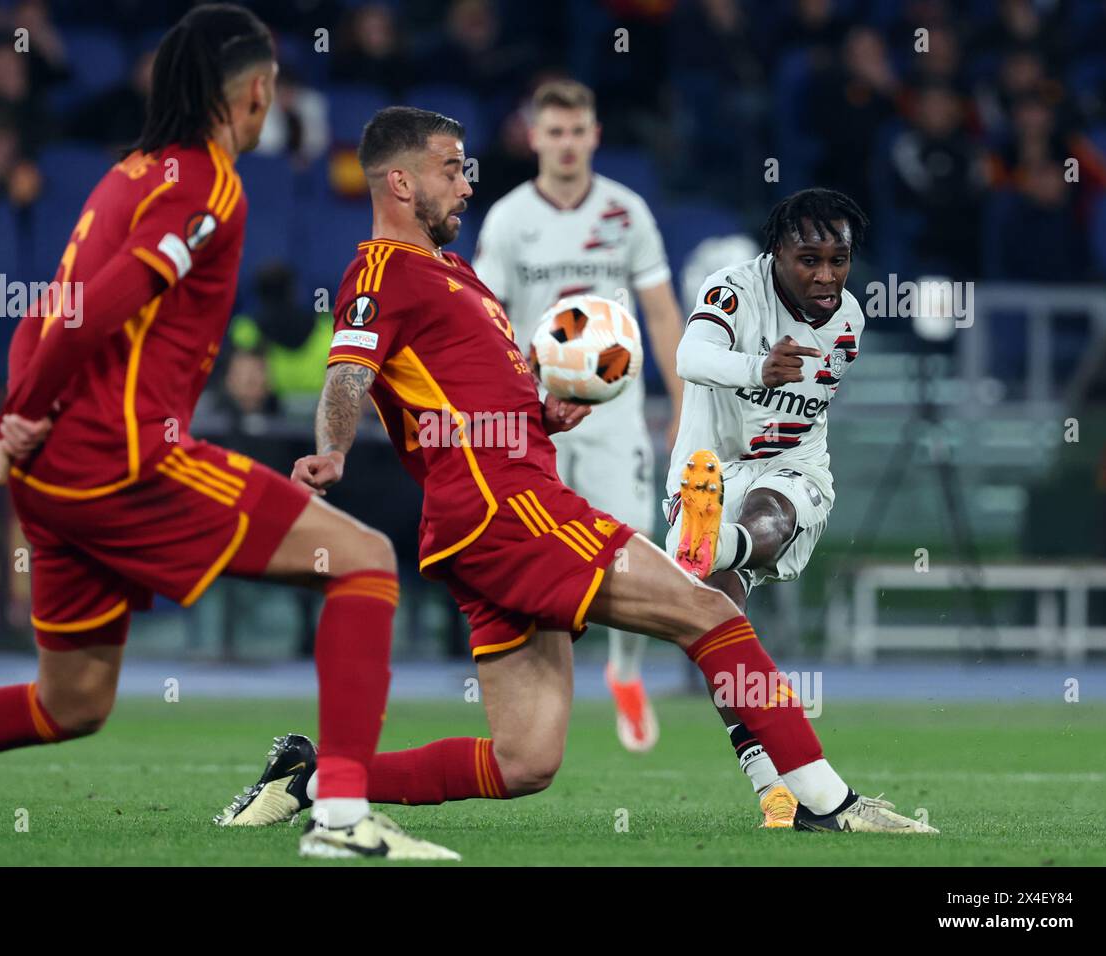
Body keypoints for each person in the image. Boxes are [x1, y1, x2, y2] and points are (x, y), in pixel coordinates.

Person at [0, 4, 455, 862]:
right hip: (120, 465)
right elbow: (97, 311)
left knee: (68, 702)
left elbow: (48, 313)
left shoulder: (127, 174)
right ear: (259, 91)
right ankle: (343, 819)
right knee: (366, 563)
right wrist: (16, 419)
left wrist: (18, 422)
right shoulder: (208, 186)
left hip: (53, 474)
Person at [216, 107, 936, 837]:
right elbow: (349, 371)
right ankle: (829, 804)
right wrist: (333, 446)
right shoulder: (380, 269)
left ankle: (311, 779)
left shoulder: (454, 274)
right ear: (399, 181)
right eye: (451, 168)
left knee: (523, 761)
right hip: (507, 506)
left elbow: (461, 393)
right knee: (709, 610)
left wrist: (539, 413)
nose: (467, 184)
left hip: (490, 516)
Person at [472, 79, 686, 753]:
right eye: (554, 132)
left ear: (594, 135)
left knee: (634, 539)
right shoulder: (508, 219)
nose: (566, 144)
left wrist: (684, 403)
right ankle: (540, 681)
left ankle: (624, 672)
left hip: (616, 408)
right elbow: (489, 319)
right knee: (539, 551)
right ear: (533, 137)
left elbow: (660, 310)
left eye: (577, 131)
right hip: (538, 413)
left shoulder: (627, 212)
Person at [666, 187, 868, 828]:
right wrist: (759, 366)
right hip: (707, 467)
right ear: (776, 252)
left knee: (770, 517)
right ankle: (769, 784)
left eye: (839, 259)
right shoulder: (731, 289)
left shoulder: (850, 319)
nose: (827, 275)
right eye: (810, 259)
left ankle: (716, 543)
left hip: (793, 468)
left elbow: (801, 417)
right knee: (718, 627)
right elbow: (688, 356)